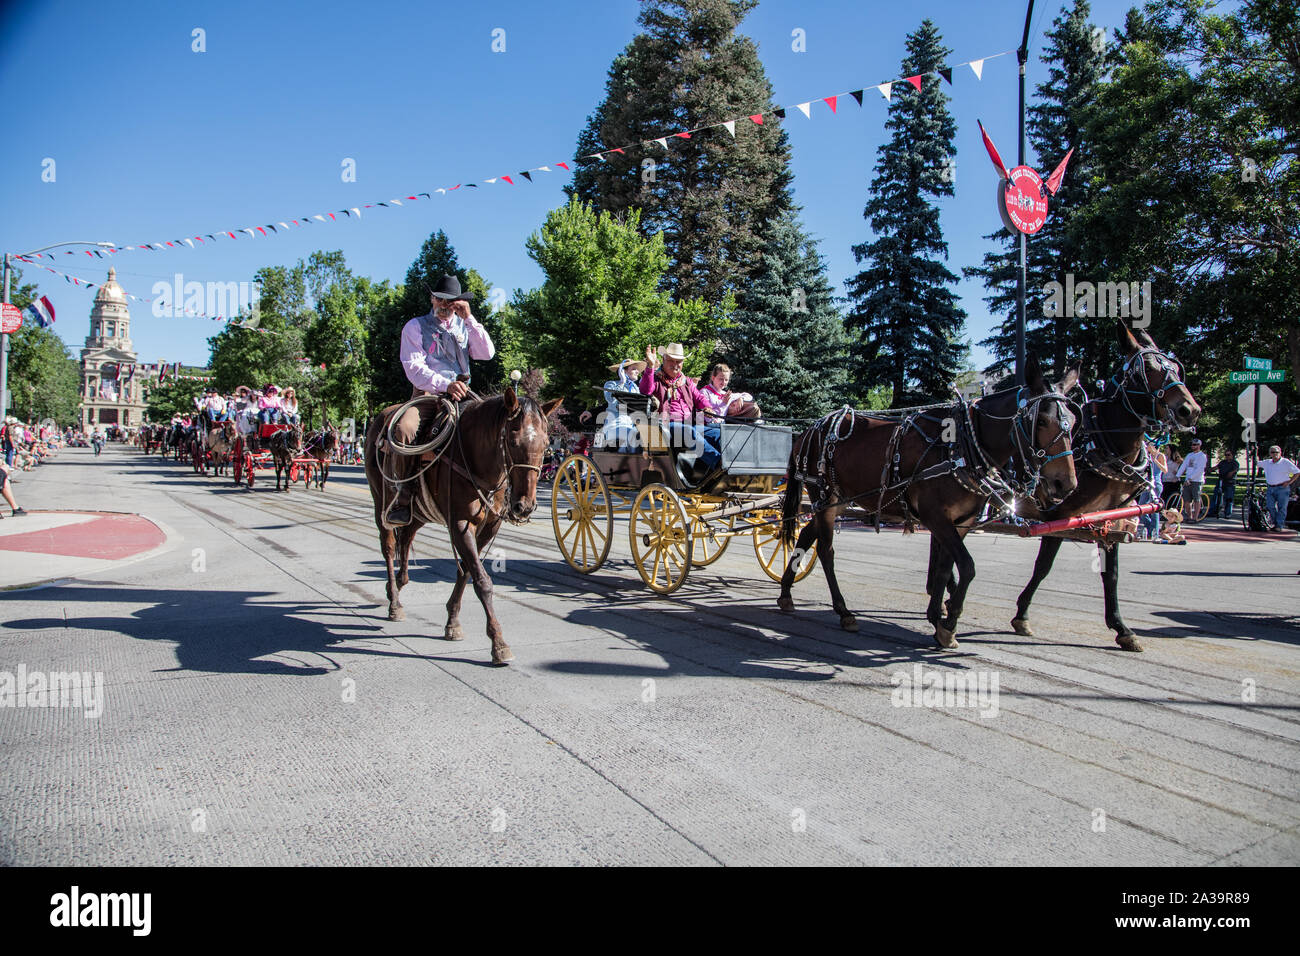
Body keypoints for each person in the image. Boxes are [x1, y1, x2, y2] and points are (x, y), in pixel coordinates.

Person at [387, 275, 496, 526]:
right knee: (404, 430)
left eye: (451, 301)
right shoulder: (415, 326)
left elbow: (486, 353)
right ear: (432, 298)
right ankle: (404, 497)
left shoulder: (463, 325)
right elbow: (413, 367)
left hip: (464, 396)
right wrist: (444, 384)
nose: (445, 306)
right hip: (428, 396)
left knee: (495, 426)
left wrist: (469, 318)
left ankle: (498, 492)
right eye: (440, 299)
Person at [639, 342, 720, 474]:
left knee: (718, 434)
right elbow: (645, 390)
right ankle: (719, 464)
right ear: (664, 360)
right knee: (687, 431)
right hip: (664, 427)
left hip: (689, 425)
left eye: (679, 361)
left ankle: (729, 467)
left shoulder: (686, 381)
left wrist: (707, 408)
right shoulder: (656, 378)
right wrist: (650, 367)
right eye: (671, 360)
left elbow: (699, 398)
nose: (676, 365)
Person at [580, 358, 646, 453]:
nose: (637, 372)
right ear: (623, 371)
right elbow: (610, 400)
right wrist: (622, 382)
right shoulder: (611, 384)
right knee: (634, 435)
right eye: (634, 369)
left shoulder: (635, 388)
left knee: (646, 436)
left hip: (631, 425)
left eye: (637, 369)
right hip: (614, 425)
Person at [1260, 445, 1299, 533]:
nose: (1275, 454)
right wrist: (1255, 450)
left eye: (1276, 452)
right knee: (1270, 506)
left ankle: (1279, 525)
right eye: (1273, 452)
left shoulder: (1285, 462)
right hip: (1271, 487)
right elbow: (1257, 463)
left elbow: (1297, 472)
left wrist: (1289, 482)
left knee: (1282, 507)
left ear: (1280, 453)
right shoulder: (1267, 462)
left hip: (1282, 488)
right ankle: (1275, 523)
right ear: (1270, 453)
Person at [1138, 439, 1167, 540]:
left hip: (1156, 483)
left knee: (1155, 508)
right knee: (1141, 505)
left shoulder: (1160, 456)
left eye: (1149, 445)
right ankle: (1149, 527)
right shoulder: (1146, 456)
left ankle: (1154, 530)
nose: (1147, 447)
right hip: (1146, 483)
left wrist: (1155, 461)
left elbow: (1165, 470)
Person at [1176, 437, 1208, 522]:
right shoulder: (1189, 455)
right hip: (1187, 480)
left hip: (1197, 480)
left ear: (1199, 445)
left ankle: (1195, 517)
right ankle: (1189, 516)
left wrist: (1191, 478)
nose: (1193, 446)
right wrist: (1178, 475)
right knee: (1187, 499)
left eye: (1195, 445)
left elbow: (1200, 469)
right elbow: (1184, 465)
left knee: (1196, 498)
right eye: (1192, 445)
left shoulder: (1202, 456)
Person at [1208, 452, 1239, 519]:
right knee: (1215, 496)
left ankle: (1227, 513)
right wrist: (1210, 469)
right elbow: (1216, 467)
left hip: (1230, 482)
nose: (1227, 456)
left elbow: (1234, 470)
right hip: (1221, 480)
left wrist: (1230, 473)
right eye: (1226, 455)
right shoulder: (1223, 462)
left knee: (1229, 498)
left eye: (1228, 455)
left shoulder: (1235, 463)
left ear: (1232, 455)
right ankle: (1212, 511)